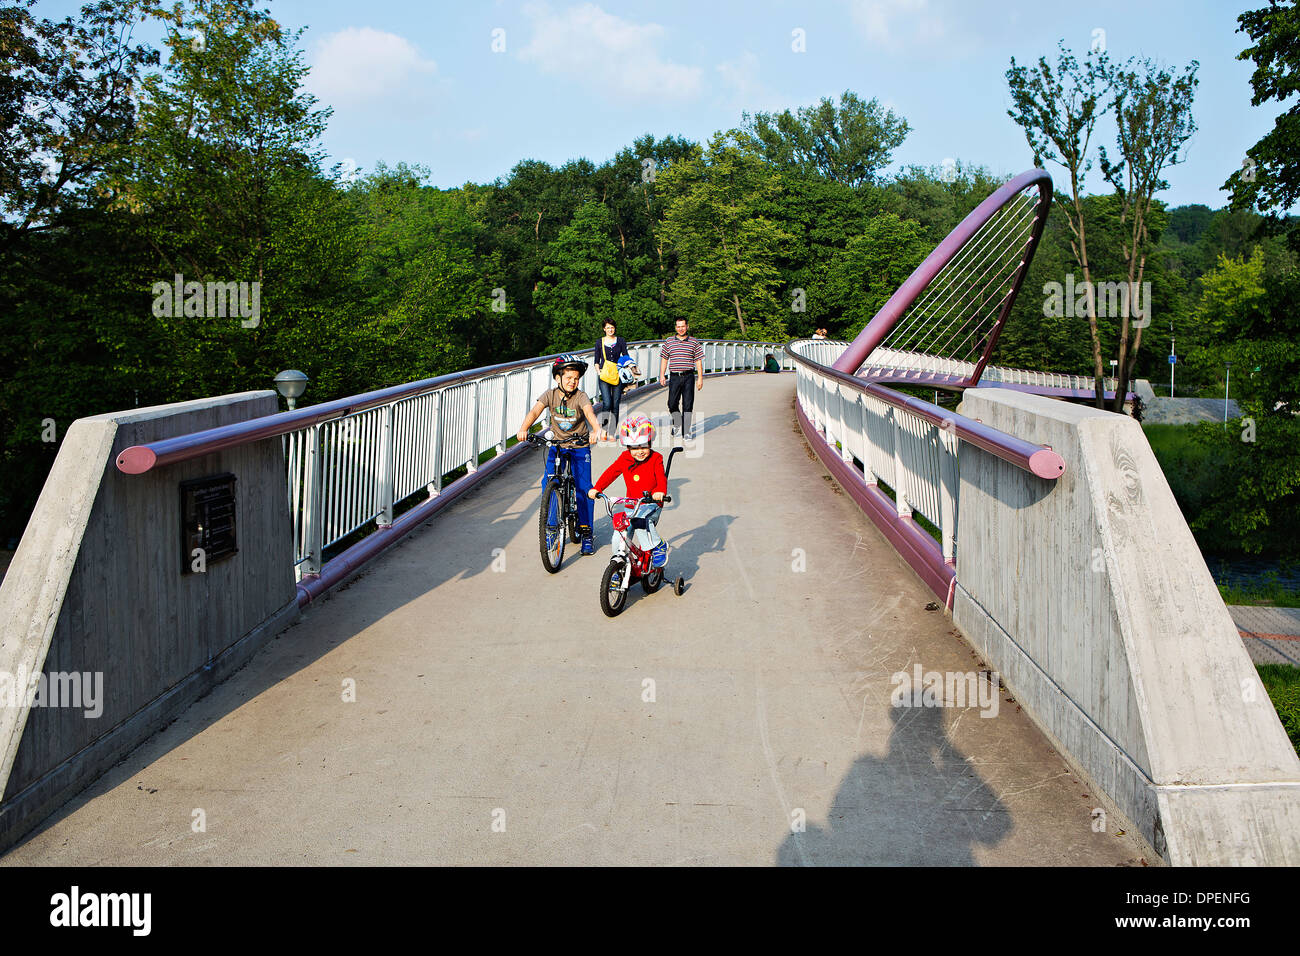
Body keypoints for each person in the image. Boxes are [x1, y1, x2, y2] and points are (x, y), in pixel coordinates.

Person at [516, 356, 609, 555]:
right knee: (548, 483)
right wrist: (523, 429)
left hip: (579, 445)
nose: (572, 382)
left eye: (575, 378)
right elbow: (534, 412)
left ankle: (586, 533)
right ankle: (551, 530)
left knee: (584, 488)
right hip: (556, 445)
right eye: (568, 378)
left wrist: (596, 430)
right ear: (558, 378)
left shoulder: (581, 396)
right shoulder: (549, 395)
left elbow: (590, 413)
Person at [588, 414, 668, 568]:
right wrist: (598, 488)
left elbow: (661, 478)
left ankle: (658, 546)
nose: (640, 451)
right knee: (619, 532)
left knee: (640, 521)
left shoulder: (656, 458)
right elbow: (611, 473)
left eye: (644, 446)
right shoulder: (625, 458)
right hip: (631, 505)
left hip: (651, 505)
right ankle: (620, 564)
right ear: (628, 447)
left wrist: (659, 491)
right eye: (635, 448)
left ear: (650, 443)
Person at [660, 318, 703, 439]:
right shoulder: (669, 341)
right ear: (675, 328)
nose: (681, 329)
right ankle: (677, 421)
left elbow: (698, 360)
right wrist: (662, 374)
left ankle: (686, 431)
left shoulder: (694, 342)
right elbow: (664, 358)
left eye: (683, 326)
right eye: (678, 326)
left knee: (688, 404)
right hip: (674, 376)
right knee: (672, 403)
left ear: (687, 327)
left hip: (689, 376)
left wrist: (700, 378)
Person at [593, 320, 630, 434]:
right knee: (607, 403)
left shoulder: (621, 341)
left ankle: (612, 432)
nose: (610, 330)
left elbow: (625, 356)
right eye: (608, 328)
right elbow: (596, 360)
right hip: (604, 375)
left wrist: (628, 369)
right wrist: (599, 372)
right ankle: (604, 429)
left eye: (612, 327)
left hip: (617, 375)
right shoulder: (600, 342)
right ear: (604, 329)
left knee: (615, 404)